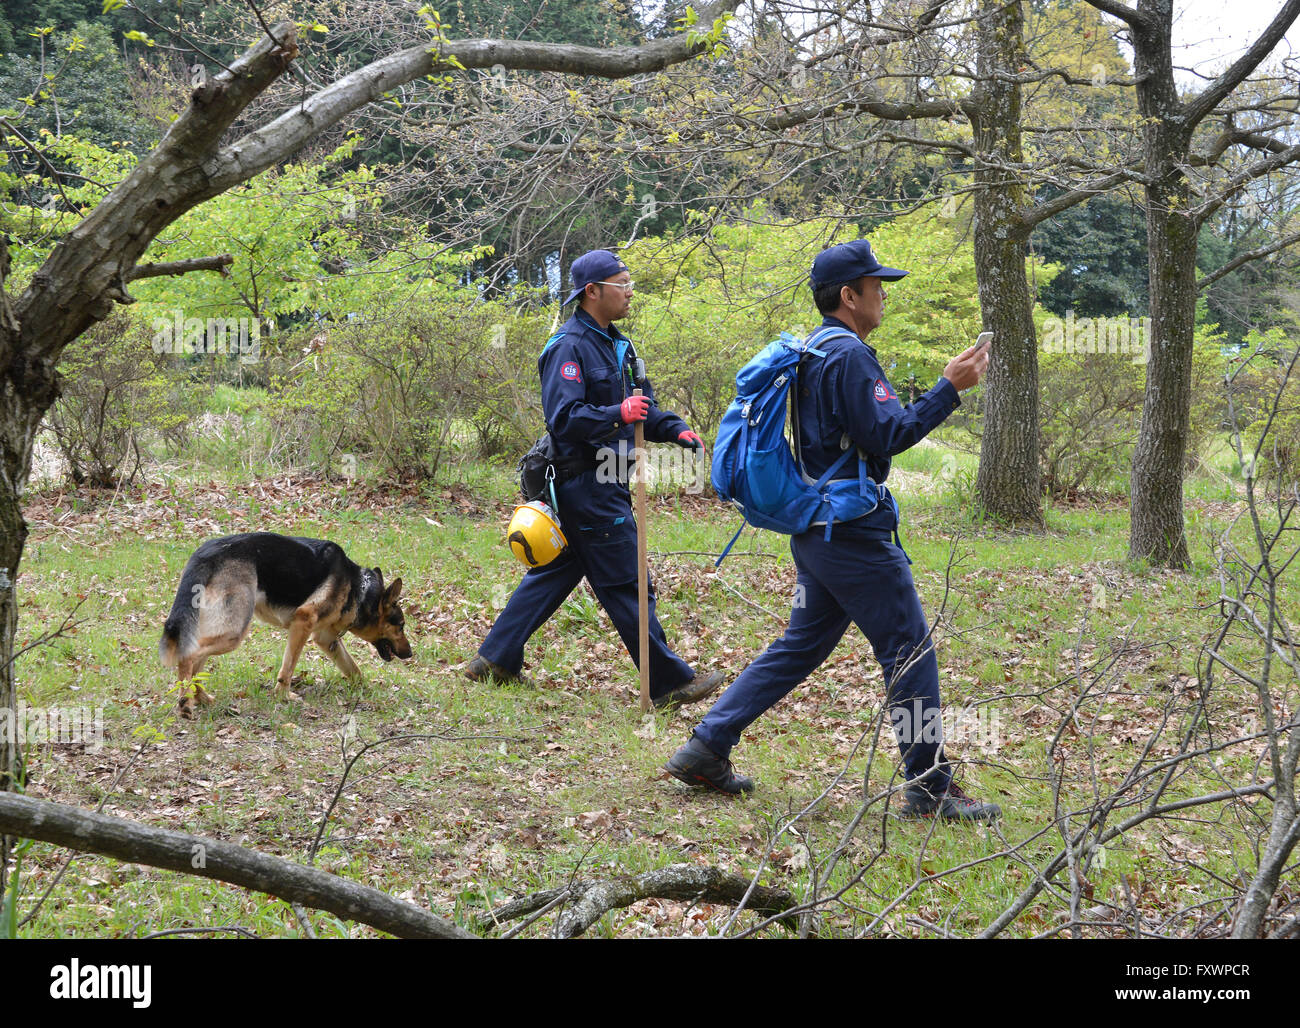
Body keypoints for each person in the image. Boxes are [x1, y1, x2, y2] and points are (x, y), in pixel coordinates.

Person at [664, 238, 1000, 820]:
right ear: (849, 296)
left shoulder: (815, 349)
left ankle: (706, 747)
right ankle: (930, 787)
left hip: (818, 527)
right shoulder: (850, 357)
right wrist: (950, 388)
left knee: (801, 644)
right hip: (852, 534)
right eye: (876, 288)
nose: (883, 297)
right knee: (909, 649)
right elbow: (889, 436)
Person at [464, 249, 724, 709]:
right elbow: (563, 418)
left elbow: (644, 407)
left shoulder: (619, 345)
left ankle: (494, 659)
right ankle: (666, 683)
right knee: (628, 581)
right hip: (585, 482)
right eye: (622, 283)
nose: (629, 292)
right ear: (593, 291)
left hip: (610, 480)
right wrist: (615, 413)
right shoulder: (568, 346)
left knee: (556, 571)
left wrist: (674, 428)